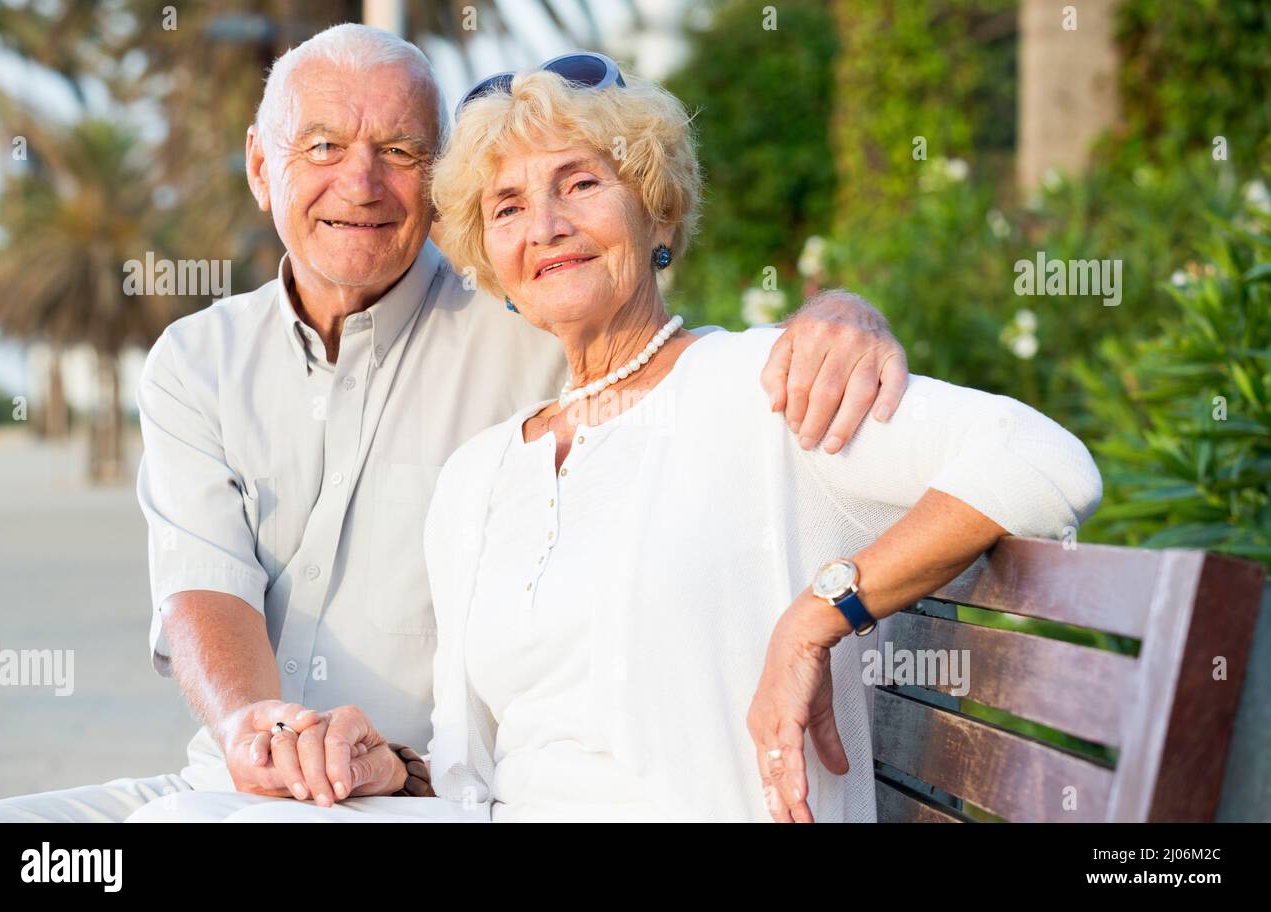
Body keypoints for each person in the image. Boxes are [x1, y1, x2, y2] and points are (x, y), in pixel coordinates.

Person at [0, 26, 907, 823]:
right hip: (231, 771)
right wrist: (261, 734)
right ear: (263, 168)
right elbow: (201, 587)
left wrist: (847, 313)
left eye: (403, 152)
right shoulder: (194, 360)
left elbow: (668, 344)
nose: (363, 183)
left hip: (417, 796)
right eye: (324, 147)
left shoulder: (535, 338)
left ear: (440, 179)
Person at [412, 57, 1103, 822]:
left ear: (658, 213)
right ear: (492, 261)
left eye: (579, 183)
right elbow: (463, 766)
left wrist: (818, 616)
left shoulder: (769, 386)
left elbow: (1043, 462)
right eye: (507, 208)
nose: (546, 226)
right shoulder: (475, 479)